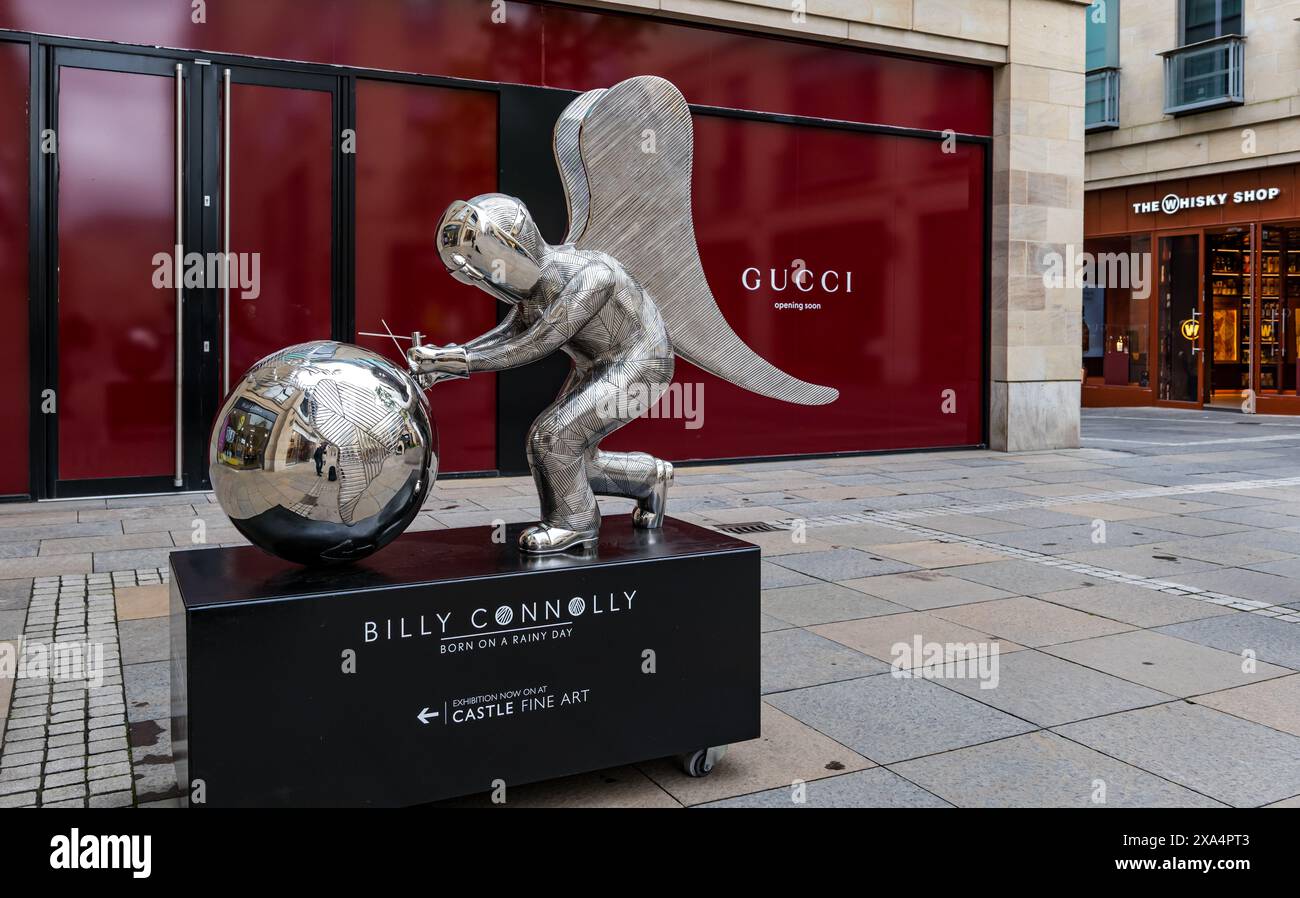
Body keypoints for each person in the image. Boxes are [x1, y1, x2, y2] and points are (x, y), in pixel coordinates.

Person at [409, 193, 673, 555]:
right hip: (598, 363)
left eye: (484, 267)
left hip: (642, 363)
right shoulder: (535, 290)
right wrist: (450, 358)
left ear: (512, 248)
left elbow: (536, 343)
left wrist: (460, 362)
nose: (485, 279)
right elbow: (511, 333)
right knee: (576, 456)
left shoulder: (590, 275)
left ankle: (575, 523)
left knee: (553, 438)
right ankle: (649, 478)